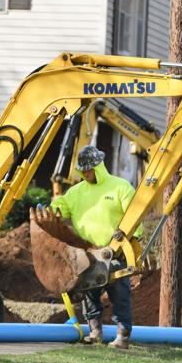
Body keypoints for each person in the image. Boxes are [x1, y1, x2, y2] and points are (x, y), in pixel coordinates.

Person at [47, 145, 141, 349]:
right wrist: (49, 211)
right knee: (89, 294)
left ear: (99, 166)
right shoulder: (76, 192)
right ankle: (95, 332)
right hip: (88, 253)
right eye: (83, 171)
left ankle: (123, 336)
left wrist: (135, 238)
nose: (87, 174)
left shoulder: (120, 187)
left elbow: (135, 217)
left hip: (115, 251)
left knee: (119, 294)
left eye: (89, 170)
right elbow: (60, 209)